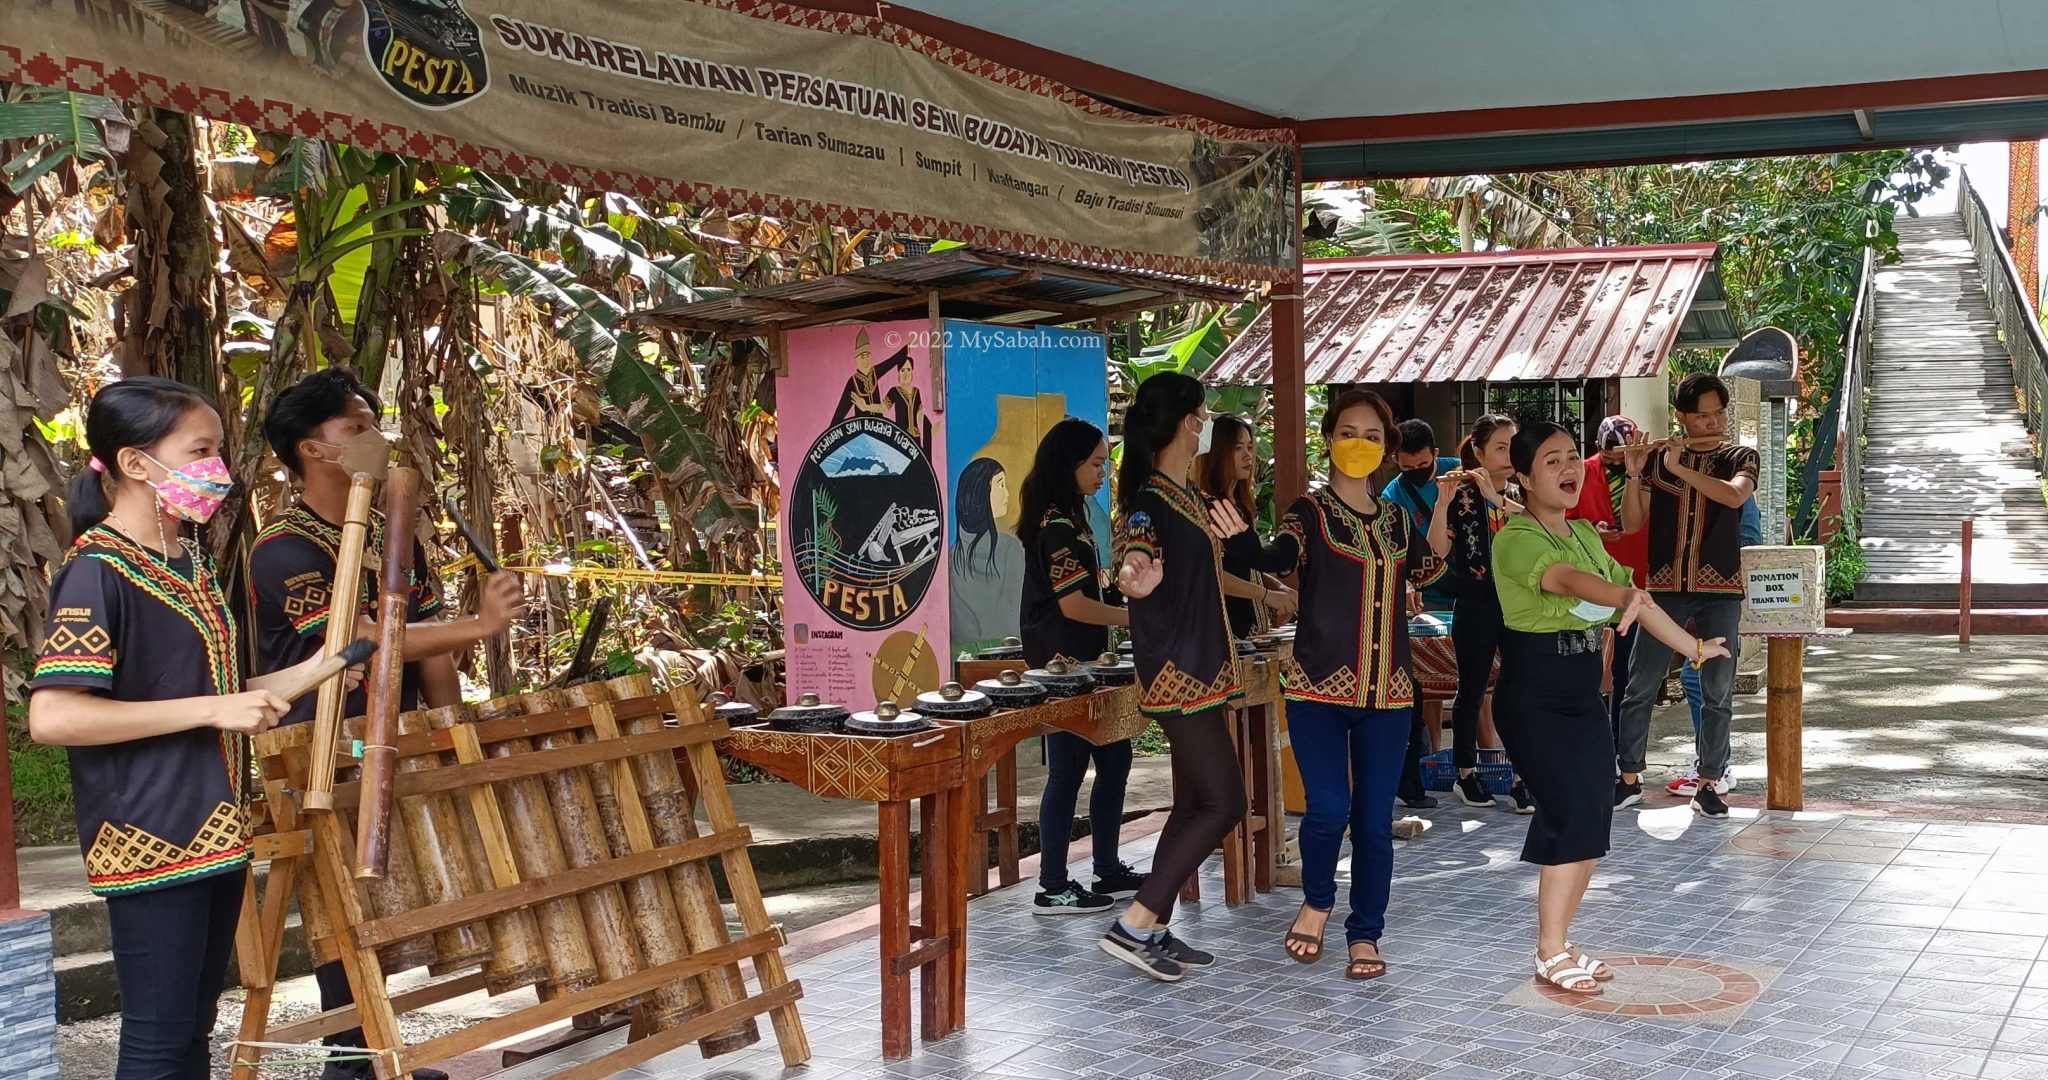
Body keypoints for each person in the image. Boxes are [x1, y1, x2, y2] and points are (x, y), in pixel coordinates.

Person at [27, 378, 358, 1080]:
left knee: (193, 1029)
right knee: (157, 1037)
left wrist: (314, 673)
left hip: (217, 831)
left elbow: (220, 695)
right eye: (200, 450)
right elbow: (54, 716)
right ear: (135, 464)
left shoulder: (192, 564)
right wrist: (215, 710)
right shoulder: (96, 573)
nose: (220, 470)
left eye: (218, 450)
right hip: (148, 835)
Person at [252, 368, 524, 1080]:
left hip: (391, 737)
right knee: (342, 903)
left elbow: (430, 642)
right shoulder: (283, 547)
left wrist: (454, 733)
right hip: (321, 745)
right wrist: (484, 620)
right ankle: (350, 1060)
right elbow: (364, 635)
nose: (378, 438)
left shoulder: (389, 532)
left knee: (383, 899)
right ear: (314, 450)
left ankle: (371, 1049)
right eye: (357, 428)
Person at [1491, 420, 1730, 995]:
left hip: (1581, 699)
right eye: (1551, 462)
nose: (1570, 468)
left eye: (1573, 457)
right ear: (1522, 478)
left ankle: (1562, 940)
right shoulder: (1516, 538)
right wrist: (1619, 596)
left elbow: (1638, 600)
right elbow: (1567, 582)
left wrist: (1693, 649)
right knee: (1569, 814)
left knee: (1595, 814)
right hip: (1534, 700)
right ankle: (1549, 950)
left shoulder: (1584, 535)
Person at [1232, 391, 1417, 980]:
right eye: (1347, 431)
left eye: (1371, 435)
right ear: (1329, 439)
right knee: (1328, 809)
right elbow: (1276, 553)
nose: (1358, 443)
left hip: (1389, 693)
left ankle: (1365, 933)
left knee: (1372, 821)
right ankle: (1317, 899)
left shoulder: (1395, 520)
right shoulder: (1307, 514)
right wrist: (1242, 544)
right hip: (1317, 689)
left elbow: (1432, 574)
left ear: (1385, 449)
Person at [1100, 371, 1261, 983]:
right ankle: (1134, 923)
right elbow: (1136, 553)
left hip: (1203, 666)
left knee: (1197, 799)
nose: (1205, 426)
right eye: (1200, 416)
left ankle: (1154, 925)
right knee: (1226, 802)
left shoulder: (1186, 496)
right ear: (1183, 423)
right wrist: (1136, 572)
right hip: (1176, 670)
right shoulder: (1148, 502)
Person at [1015, 419, 1146, 915]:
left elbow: (1089, 592)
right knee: (1067, 770)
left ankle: (1108, 867)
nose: (1103, 472)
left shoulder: (1073, 519)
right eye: (1095, 463)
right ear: (1067, 464)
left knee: (1115, 760)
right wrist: (1133, 618)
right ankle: (1051, 885)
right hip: (1063, 666)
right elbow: (1073, 606)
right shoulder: (1055, 526)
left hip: (1090, 664)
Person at [1615, 373, 1759, 818]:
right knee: (1640, 686)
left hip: (1721, 591)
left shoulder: (1740, 456)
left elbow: (1735, 498)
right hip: (1664, 588)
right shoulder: (1657, 460)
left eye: (1719, 413)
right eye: (1702, 416)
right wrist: (1638, 474)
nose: (1713, 422)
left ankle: (1711, 782)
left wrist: (1680, 468)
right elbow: (1634, 523)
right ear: (1681, 417)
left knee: (1718, 692)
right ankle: (1629, 778)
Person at [1427, 413, 1532, 813]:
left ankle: (1521, 776)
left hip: (1517, 602)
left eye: (1512, 446)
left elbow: (1545, 525)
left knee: (1521, 689)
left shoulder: (1523, 493)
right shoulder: (1462, 493)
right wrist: (1441, 504)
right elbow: (1437, 550)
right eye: (1500, 447)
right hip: (1475, 600)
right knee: (1471, 689)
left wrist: (1498, 500)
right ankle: (1466, 772)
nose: (1509, 455)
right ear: (1478, 451)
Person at [1381, 418, 1459, 809]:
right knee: (1427, 681)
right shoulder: (1392, 495)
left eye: (1422, 467)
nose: (1415, 475)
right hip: (1426, 596)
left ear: (1435, 454)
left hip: (1467, 583)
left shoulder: (1456, 471)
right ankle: (1431, 760)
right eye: (1406, 468)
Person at [1669, 494, 1764, 796]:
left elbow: (1749, 541)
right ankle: (1714, 764)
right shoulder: (1682, 487)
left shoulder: (1736, 490)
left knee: (1704, 682)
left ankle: (1714, 768)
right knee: (1697, 680)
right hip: (1687, 598)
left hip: (1719, 599)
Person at [1566, 415, 1650, 750]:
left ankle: (1620, 743)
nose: (1617, 463)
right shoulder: (1580, 472)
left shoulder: (1647, 471)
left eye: (1624, 457)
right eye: (1611, 457)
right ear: (1598, 448)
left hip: (1637, 579)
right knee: (1586, 669)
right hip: (1590, 580)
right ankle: (1589, 739)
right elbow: (1561, 518)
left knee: (1627, 671)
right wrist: (1591, 529)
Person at [1200, 414, 1297, 638]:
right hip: (1221, 630)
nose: (1248, 456)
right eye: (1237, 448)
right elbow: (1211, 573)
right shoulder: (1208, 508)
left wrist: (1278, 588)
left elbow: (1245, 565)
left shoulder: (1241, 505)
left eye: (1250, 447)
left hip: (1251, 628)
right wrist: (1266, 595)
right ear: (1217, 453)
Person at [950, 456, 1028, 649]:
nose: (1008, 494)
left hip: (961, 659)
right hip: (1007, 658)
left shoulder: (950, 558)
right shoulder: (1010, 550)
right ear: (980, 494)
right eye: (1000, 485)